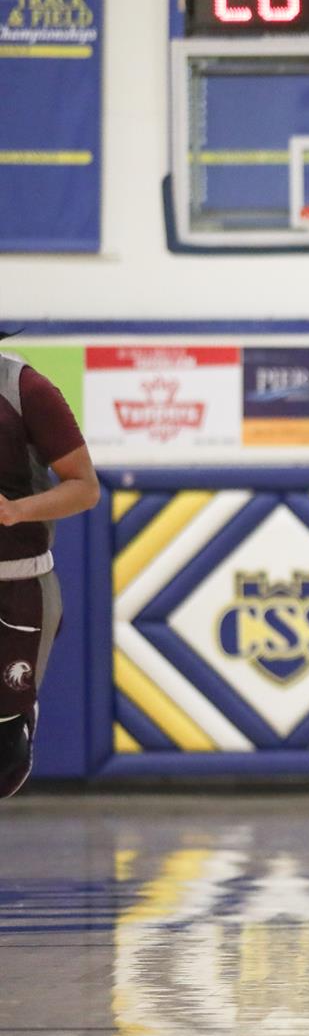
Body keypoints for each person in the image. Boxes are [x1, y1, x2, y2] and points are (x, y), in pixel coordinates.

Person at [0, 342, 99, 799]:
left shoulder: (25, 388)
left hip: (17, 585)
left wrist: (17, 511)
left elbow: (85, 487)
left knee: (5, 758)